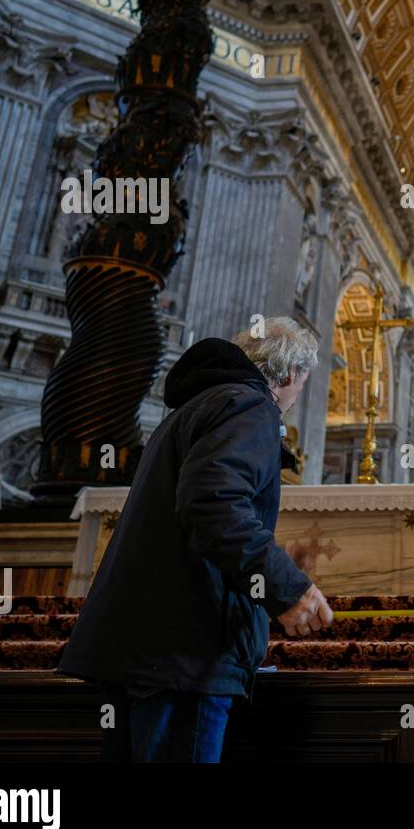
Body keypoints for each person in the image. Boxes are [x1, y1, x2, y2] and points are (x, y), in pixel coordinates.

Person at [59, 317, 334, 762]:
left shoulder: (190, 409)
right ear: (288, 375)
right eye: (303, 383)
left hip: (137, 645)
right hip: (186, 648)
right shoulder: (249, 408)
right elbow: (215, 503)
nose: (298, 394)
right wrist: (287, 587)